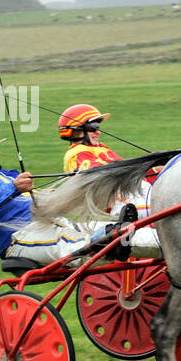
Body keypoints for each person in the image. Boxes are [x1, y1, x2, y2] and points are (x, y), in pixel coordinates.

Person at [0, 121, 134, 265]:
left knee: (89, 227)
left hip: (46, 223)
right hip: (18, 238)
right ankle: (108, 241)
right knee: (67, 244)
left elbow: (21, 198)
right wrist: (13, 188)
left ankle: (117, 232)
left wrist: (44, 194)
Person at [58, 103, 162, 255]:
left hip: (136, 193)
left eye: (98, 127)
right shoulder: (77, 153)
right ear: (77, 131)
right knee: (166, 207)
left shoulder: (100, 148)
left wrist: (157, 166)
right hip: (117, 203)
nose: (98, 132)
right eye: (93, 127)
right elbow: (106, 174)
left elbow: (130, 172)